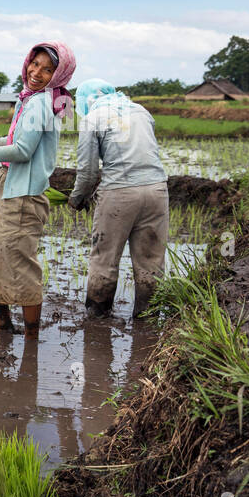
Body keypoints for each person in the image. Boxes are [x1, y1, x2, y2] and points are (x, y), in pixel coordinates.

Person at [0, 41, 76, 337]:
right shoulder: (30, 99)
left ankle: (31, 340)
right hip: (7, 186)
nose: (37, 72)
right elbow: (15, 141)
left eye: (47, 69)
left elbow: (23, 151)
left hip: (23, 194)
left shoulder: (40, 104)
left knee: (19, 265)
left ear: (59, 75)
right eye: (35, 64)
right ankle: (3, 324)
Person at [68, 78, 169, 318]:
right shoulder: (141, 111)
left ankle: (98, 319)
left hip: (119, 193)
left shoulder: (93, 118)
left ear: (86, 100)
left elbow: (89, 170)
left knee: (105, 257)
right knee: (151, 261)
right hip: (157, 191)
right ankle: (148, 320)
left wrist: (78, 197)